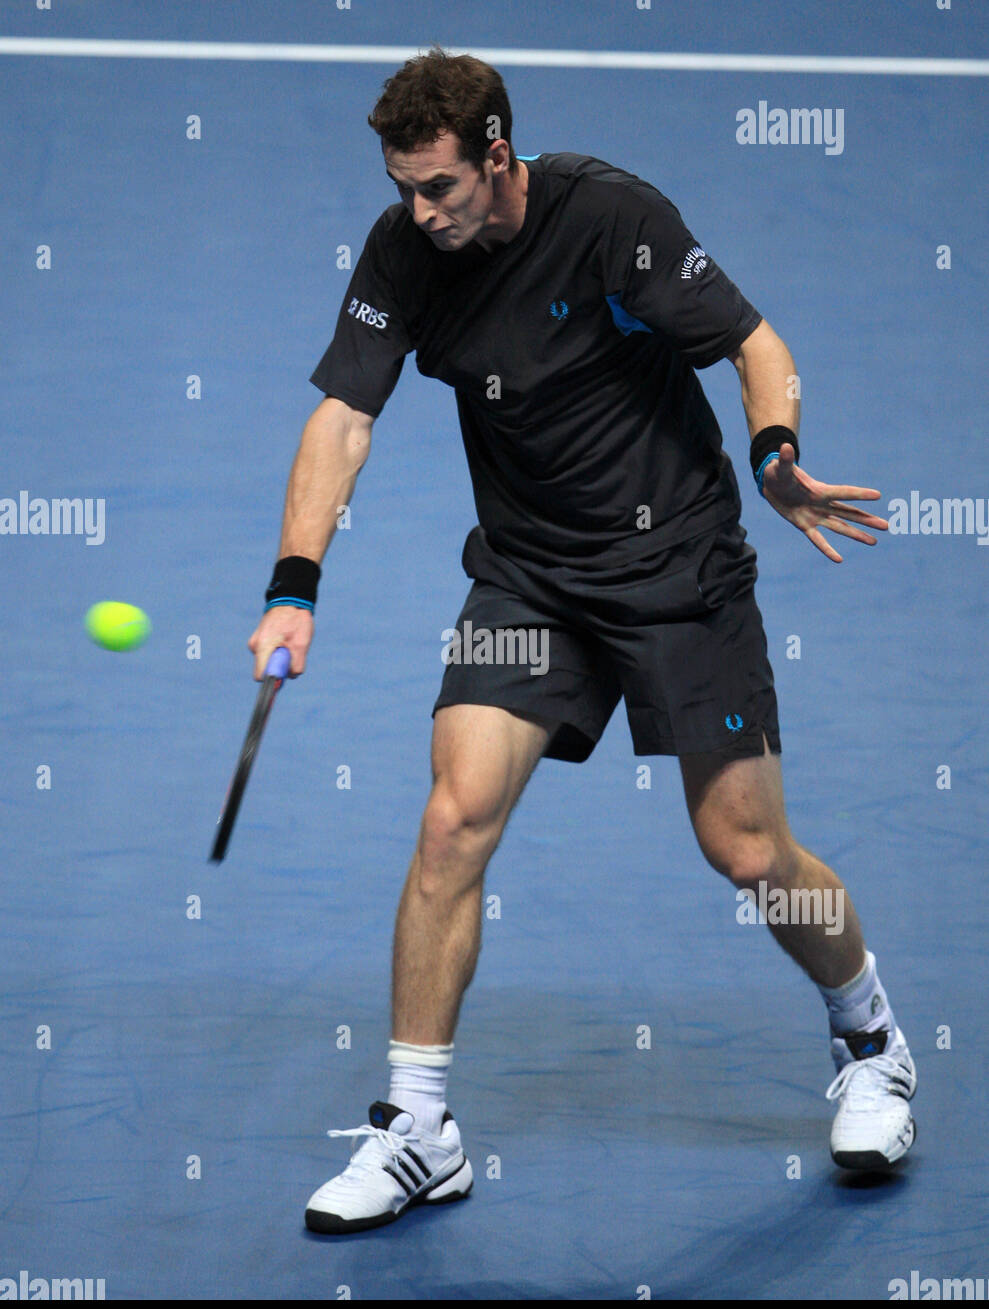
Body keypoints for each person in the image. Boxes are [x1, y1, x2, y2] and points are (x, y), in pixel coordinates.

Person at [248, 47, 917, 1236]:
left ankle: (869, 1038)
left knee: (748, 852)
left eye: (438, 187)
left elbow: (754, 345)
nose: (418, 211)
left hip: (678, 572)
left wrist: (771, 456)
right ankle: (418, 1129)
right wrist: (295, 583)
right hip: (531, 583)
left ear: (495, 154)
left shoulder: (615, 220)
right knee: (452, 816)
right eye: (404, 186)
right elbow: (343, 416)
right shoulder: (405, 251)